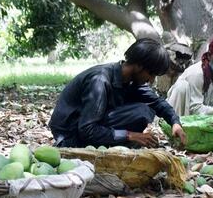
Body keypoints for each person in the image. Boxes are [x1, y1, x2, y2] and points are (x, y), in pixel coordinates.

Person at [48, 38, 187, 148]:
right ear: (139, 66)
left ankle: (114, 144)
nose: (151, 80)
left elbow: (157, 102)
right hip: (70, 135)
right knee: (141, 112)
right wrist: (130, 135)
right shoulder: (100, 81)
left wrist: (175, 122)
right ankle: (102, 146)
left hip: (88, 127)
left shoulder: (132, 81)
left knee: (146, 110)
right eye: (151, 74)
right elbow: (87, 129)